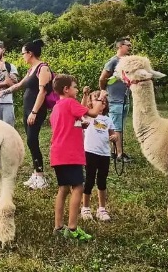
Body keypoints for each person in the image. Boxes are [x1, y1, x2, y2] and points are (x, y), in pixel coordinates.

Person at [48, 74, 102, 240]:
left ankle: (58, 226)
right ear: (66, 89)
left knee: (63, 189)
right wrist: (101, 97)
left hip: (57, 154)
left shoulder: (57, 107)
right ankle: (72, 228)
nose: (77, 89)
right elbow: (93, 113)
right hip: (70, 155)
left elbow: (70, 123)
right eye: (75, 87)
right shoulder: (70, 103)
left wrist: (79, 124)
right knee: (77, 187)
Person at [0, 39, 52, 189]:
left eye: (23, 53)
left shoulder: (43, 68)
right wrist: (3, 92)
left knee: (32, 140)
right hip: (28, 110)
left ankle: (41, 176)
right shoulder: (31, 69)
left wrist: (34, 112)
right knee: (30, 141)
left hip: (36, 110)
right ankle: (36, 173)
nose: (22, 56)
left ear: (30, 53)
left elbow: (43, 91)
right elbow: (19, 85)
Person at [79, 90, 117, 222]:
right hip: (90, 152)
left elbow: (114, 134)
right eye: (99, 100)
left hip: (104, 154)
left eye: (104, 102)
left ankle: (102, 209)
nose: (102, 104)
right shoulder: (89, 116)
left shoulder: (108, 119)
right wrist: (85, 95)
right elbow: (81, 108)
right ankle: (86, 208)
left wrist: (114, 137)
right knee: (89, 180)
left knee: (102, 180)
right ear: (91, 103)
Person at [99, 37, 133, 163]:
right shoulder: (113, 61)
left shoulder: (127, 61)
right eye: (127, 45)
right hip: (114, 100)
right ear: (120, 46)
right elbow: (102, 78)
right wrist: (103, 91)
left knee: (120, 126)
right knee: (117, 127)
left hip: (124, 99)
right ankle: (120, 154)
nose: (130, 47)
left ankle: (113, 152)